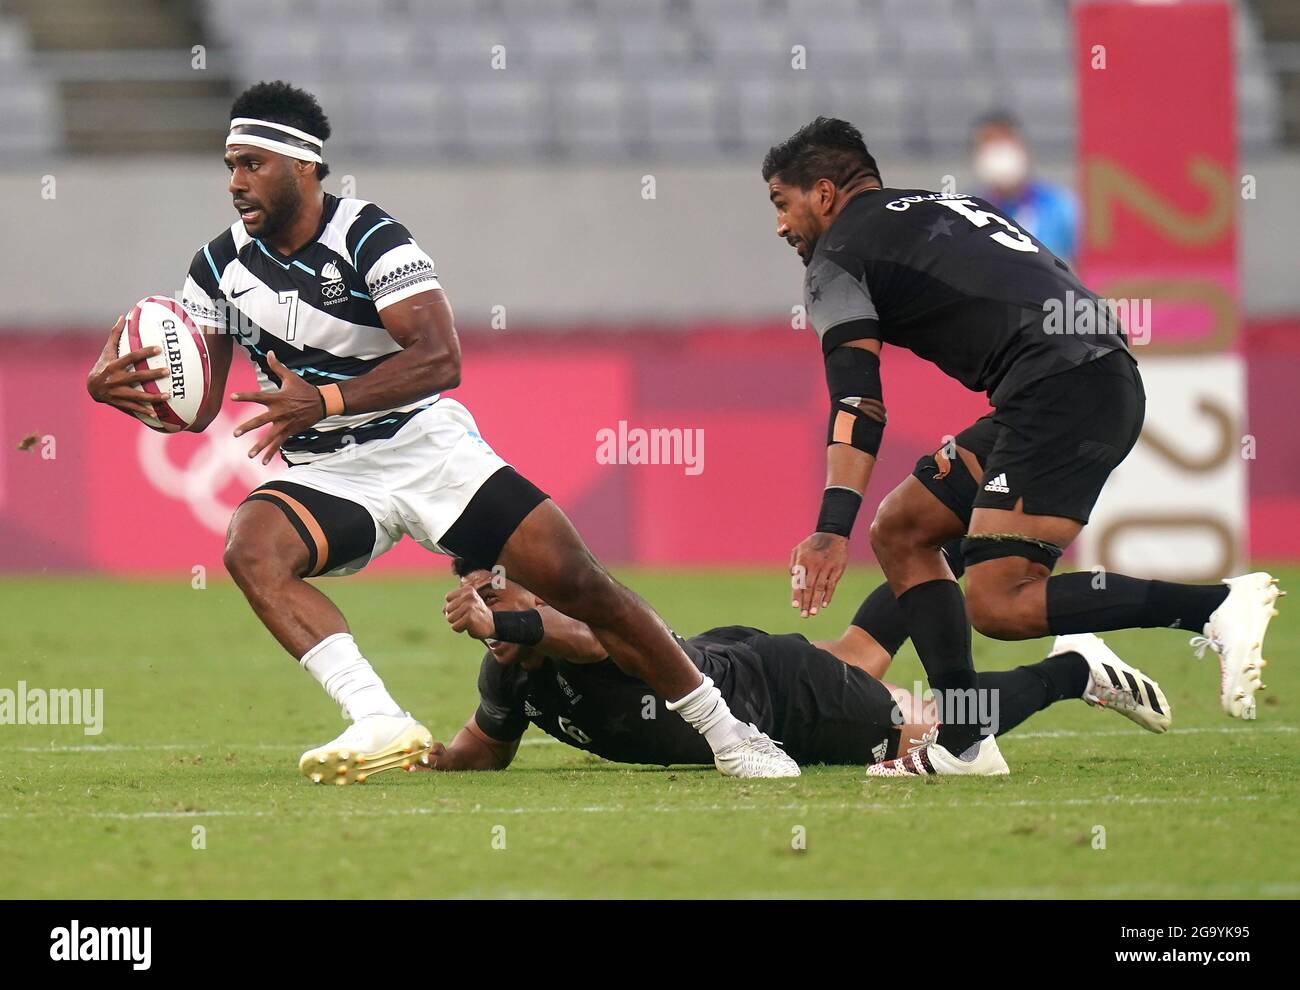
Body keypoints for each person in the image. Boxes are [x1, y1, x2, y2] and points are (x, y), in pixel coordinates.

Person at [85, 80, 798, 784]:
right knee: (252, 548)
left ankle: (728, 732)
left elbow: (440, 357)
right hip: (329, 470)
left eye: (253, 164)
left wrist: (327, 399)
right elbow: (200, 406)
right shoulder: (215, 268)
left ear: (304, 165)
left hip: (426, 450)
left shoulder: (369, 235)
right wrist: (121, 390)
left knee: (581, 585)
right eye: (230, 166)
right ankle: (377, 717)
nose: (236, 182)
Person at [761, 117, 1281, 776]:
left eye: (783, 204)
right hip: (1081, 376)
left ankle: (1211, 606)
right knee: (905, 528)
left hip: (1062, 390)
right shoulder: (953, 203)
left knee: (999, 602)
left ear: (826, 193)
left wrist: (830, 530)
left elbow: (858, 403)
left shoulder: (838, 258)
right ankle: (963, 741)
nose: (782, 225)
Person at [420, 566, 1169, 774]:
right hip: (745, 661)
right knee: (855, 659)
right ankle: (928, 563)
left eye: (492, 589)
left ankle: (1072, 669)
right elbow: (485, 745)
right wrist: (440, 760)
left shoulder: (592, 621)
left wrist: (505, 619)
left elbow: (585, 638)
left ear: (535, 590)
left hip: (777, 699)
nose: (477, 607)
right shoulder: (510, 672)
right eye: (469, 594)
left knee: (935, 738)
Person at [971, 110, 1077, 263]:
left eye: (1005, 142)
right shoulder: (970, 212)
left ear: (1024, 147)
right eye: (988, 144)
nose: (999, 154)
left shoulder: (1062, 206)